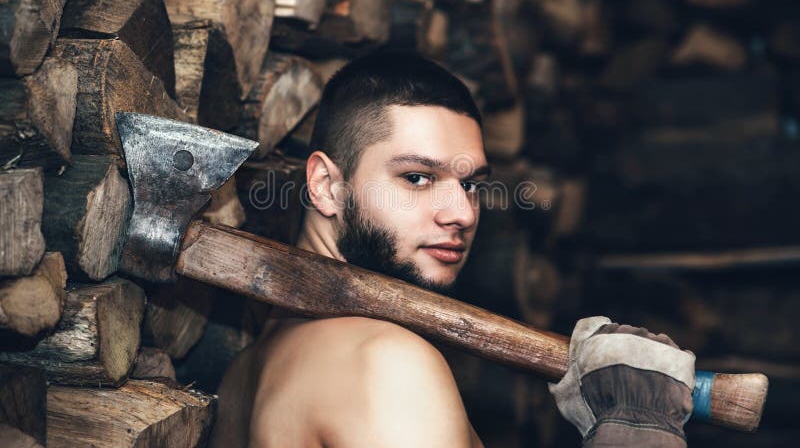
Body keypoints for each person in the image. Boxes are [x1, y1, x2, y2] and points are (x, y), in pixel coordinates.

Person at [209, 51, 695, 448]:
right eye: (417, 178)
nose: (461, 212)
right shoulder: (385, 362)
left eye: (470, 184)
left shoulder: (243, 375)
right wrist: (639, 432)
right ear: (326, 186)